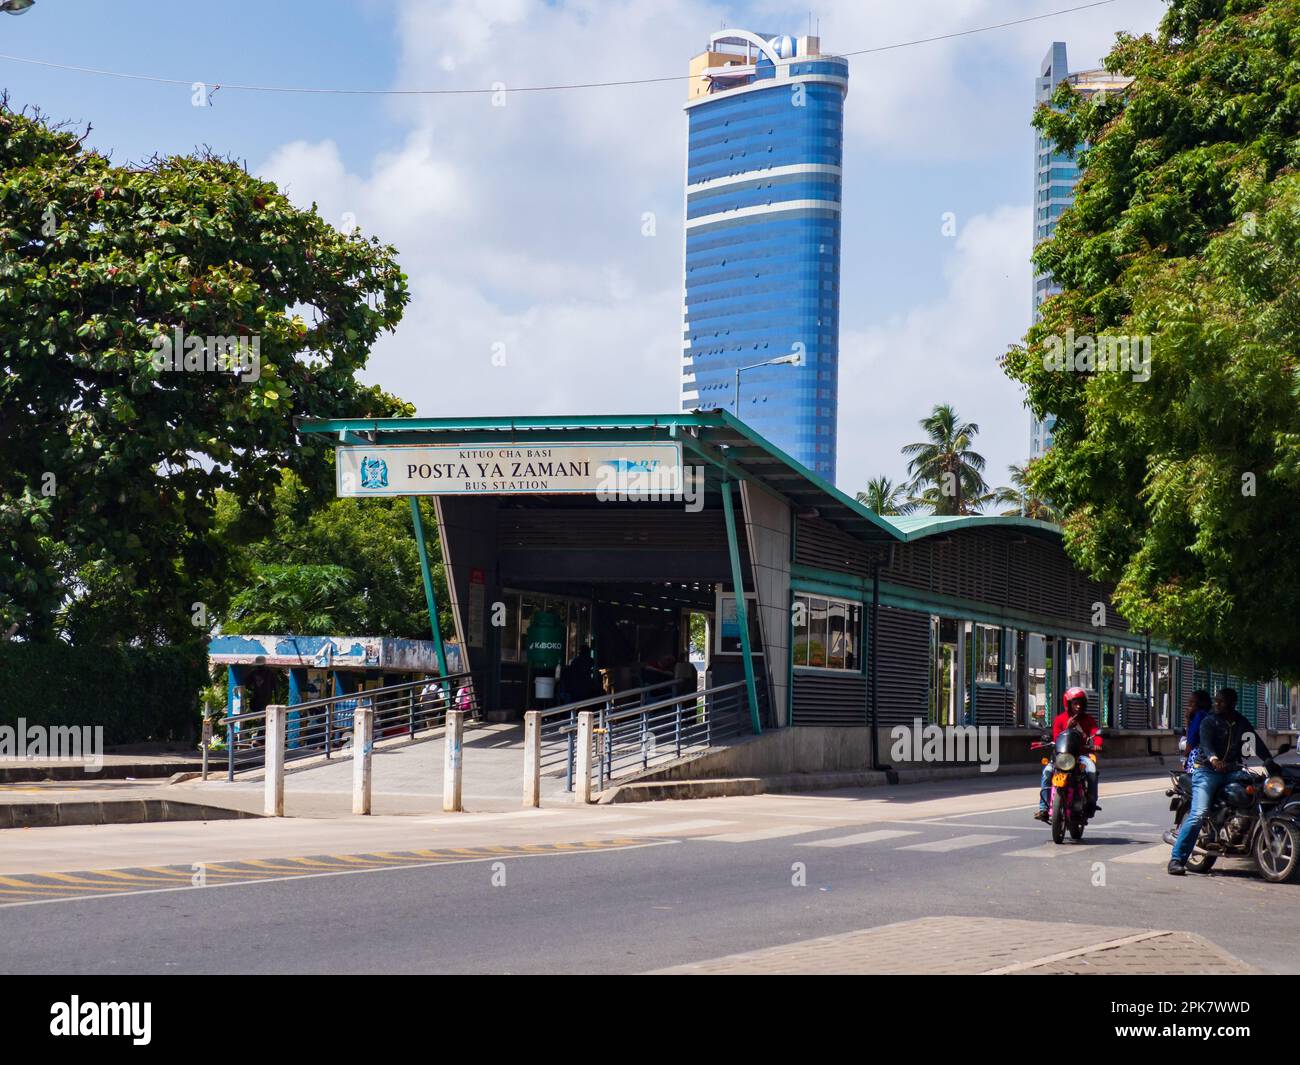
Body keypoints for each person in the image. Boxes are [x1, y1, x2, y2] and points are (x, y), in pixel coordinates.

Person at [1169, 687, 1273, 875]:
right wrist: (1214, 759)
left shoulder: (1240, 721)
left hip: (1232, 770)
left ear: (1233, 703)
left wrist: (1268, 761)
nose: (1216, 703)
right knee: (1199, 813)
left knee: (1258, 789)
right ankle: (1177, 858)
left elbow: (1254, 741)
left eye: (1221, 701)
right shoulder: (1209, 721)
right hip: (1207, 771)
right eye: (1216, 700)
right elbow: (1206, 744)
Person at [1034, 686, 1102, 822]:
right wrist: (1067, 727)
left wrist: (1097, 744)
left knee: (1091, 770)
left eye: (1080, 703)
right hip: (1063, 757)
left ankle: (1091, 803)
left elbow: (1096, 734)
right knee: (1047, 771)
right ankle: (1043, 809)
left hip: (1082, 756)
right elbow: (1056, 738)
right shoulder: (1060, 719)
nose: (1078, 706)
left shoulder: (1088, 720)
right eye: (1075, 703)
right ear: (1068, 704)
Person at [1181, 689, 1212, 772]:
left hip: (1199, 756)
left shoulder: (1200, 716)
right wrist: (1188, 720)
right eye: (1189, 702)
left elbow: (1191, 740)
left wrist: (1184, 757)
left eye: (1192, 702)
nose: (1189, 704)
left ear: (1200, 703)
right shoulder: (1210, 714)